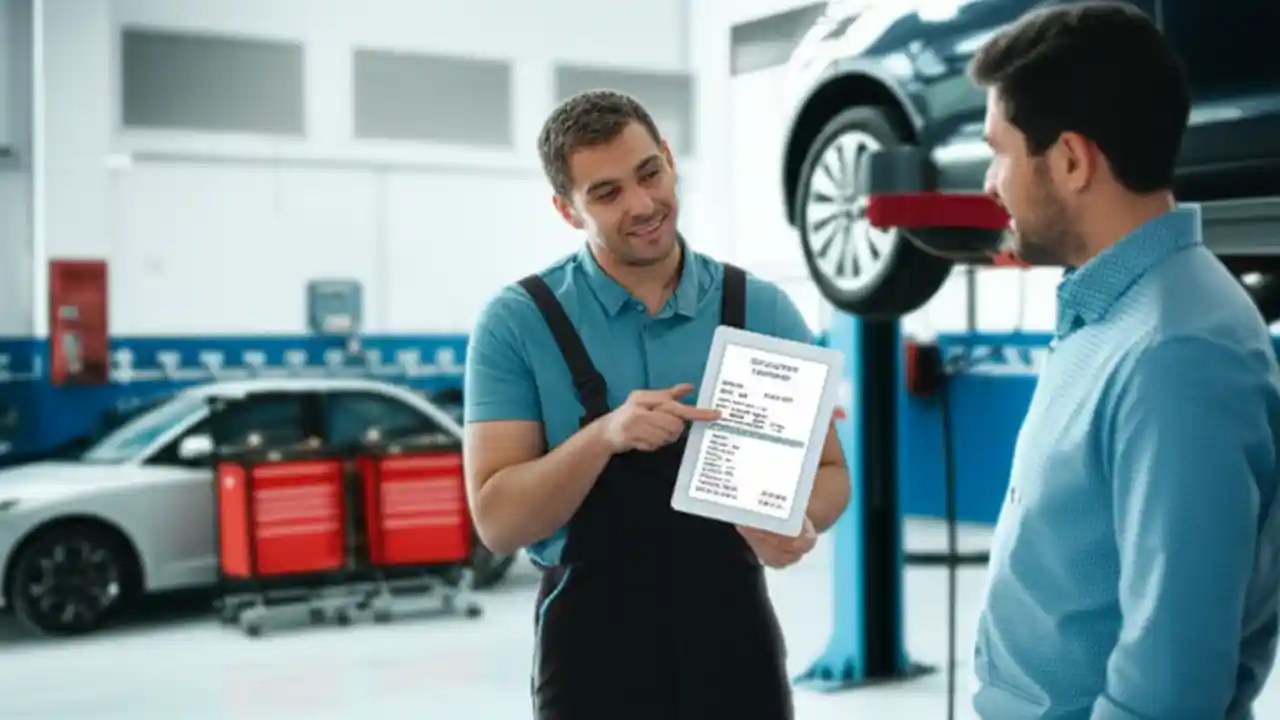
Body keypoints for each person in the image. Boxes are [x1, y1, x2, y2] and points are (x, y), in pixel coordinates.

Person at [462, 89, 851, 719]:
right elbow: (499, 522)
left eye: (650, 173)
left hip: (735, 645)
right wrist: (604, 436)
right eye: (607, 193)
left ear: (669, 158)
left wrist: (798, 522)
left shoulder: (761, 311)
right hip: (592, 654)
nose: (643, 205)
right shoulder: (519, 323)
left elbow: (830, 475)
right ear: (567, 209)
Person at [968, 3, 1280, 718]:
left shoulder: (1176, 356)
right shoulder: (1112, 314)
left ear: (1073, 160)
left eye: (1001, 151)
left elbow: (1168, 689)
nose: (991, 182)